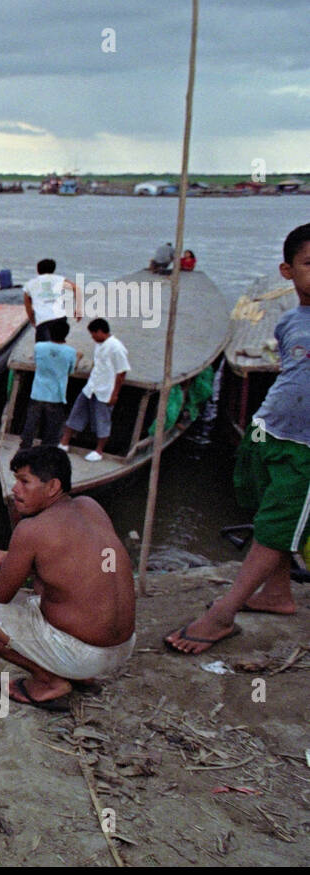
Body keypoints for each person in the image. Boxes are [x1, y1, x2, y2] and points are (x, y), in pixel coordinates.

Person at [165, 222, 310, 653]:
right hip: (269, 431)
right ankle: (277, 594)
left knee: (276, 528)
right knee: (266, 511)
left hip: (305, 448)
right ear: (287, 272)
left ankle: (221, 615)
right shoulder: (289, 323)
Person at [0, 445, 136, 710]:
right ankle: (77, 673)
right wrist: (9, 557)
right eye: (16, 480)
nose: (15, 489)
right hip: (122, 647)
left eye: (24, 482)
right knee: (49, 586)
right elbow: (93, 559)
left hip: (82, 654)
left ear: (52, 487)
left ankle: (49, 680)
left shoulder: (32, 529)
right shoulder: (90, 506)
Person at [59, 318, 130, 462]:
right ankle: (64, 442)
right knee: (76, 412)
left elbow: (122, 372)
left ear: (100, 332)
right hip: (91, 387)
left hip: (105, 390)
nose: (92, 338)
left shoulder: (116, 348)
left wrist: (115, 394)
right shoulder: (99, 344)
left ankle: (99, 451)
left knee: (102, 421)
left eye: (93, 334)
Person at [19, 320, 80, 449]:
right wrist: (78, 358)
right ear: (66, 334)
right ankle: (46, 450)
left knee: (31, 424)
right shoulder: (70, 352)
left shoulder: (39, 347)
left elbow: (36, 362)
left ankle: (25, 447)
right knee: (52, 429)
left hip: (37, 393)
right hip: (56, 396)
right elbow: (70, 370)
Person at [23, 258, 82, 343]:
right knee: (59, 344)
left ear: (38, 270)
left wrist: (33, 321)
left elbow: (28, 306)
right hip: (60, 318)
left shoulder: (29, 284)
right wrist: (78, 309)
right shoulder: (60, 279)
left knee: (43, 348)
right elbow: (77, 289)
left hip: (43, 320)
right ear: (53, 269)